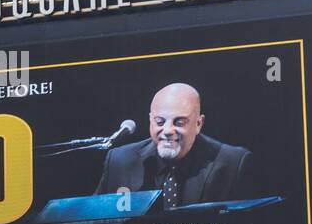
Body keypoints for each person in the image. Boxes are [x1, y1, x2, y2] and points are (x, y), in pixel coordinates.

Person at [94, 82, 255, 209]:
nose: (168, 130)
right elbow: (97, 221)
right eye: (160, 122)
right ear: (150, 120)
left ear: (198, 123)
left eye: (179, 122)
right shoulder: (120, 162)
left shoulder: (232, 163)